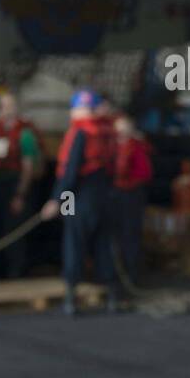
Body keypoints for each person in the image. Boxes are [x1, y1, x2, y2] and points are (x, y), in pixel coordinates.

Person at [41, 89, 116, 314]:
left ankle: (71, 297)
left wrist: (56, 200)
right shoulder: (106, 131)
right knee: (104, 245)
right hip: (103, 195)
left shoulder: (81, 132)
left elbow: (71, 171)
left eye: (76, 107)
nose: (73, 112)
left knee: (74, 242)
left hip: (78, 196)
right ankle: (111, 295)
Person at [0, 92, 41, 280]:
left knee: (13, 231)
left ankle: (15, 273)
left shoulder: (24, 133)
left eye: (9, 106)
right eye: (2, 106)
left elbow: (28, 167)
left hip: (14, 186)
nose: (5, 110)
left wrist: (20, 195)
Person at [111, 114, 153, 296]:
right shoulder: (110, 147)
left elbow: (145, 173)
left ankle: (132, 276)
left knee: (130, 237)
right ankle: (115, 278)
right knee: (115, 237)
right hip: (113, 196)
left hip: (131, 196)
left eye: (124, 127)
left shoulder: (137, 148)